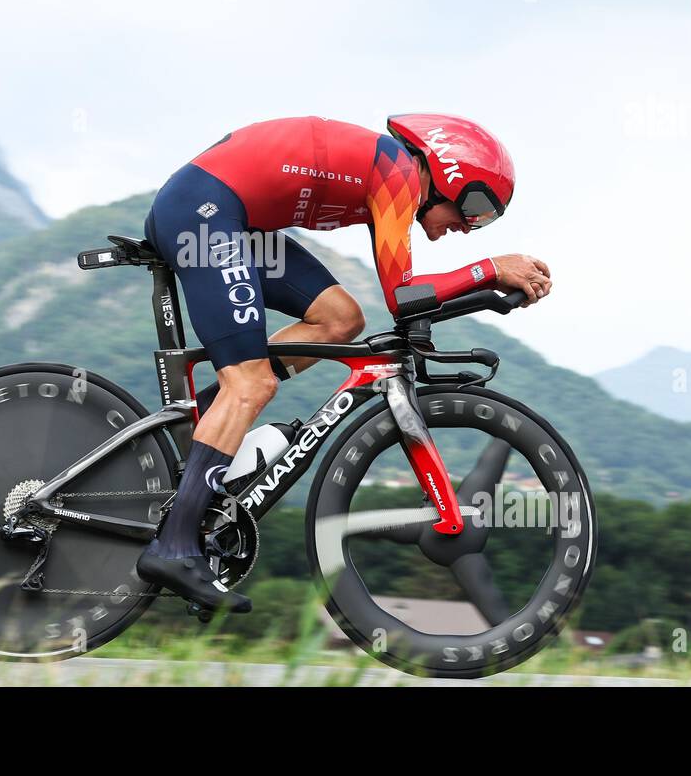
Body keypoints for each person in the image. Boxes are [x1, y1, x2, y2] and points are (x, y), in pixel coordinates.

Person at [136, 114, 552, 611]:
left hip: (230, 220)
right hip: (202, 215)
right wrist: (491, 268)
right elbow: (403, 296)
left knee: (339, 320)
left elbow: (409, 297)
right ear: (451, 172)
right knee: (249, 386)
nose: (467, 228)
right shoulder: (397, 171)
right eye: (476, 211)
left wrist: (488, 286)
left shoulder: (389, 176)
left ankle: (206, 422)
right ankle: (174, 547)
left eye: (482, 225)